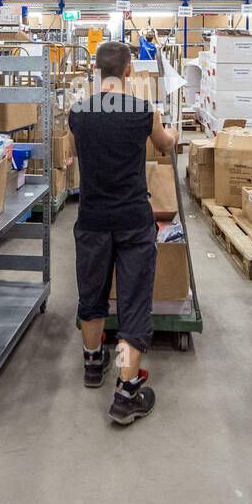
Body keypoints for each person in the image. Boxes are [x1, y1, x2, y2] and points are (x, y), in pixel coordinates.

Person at [65, 40, 176, 426]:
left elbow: (78, 153)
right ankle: (127, 394)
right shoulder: (145, 112)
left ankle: (93, 364)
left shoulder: (78, 113)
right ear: (129, 71)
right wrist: (172, 134)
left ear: (97, 71)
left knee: (91, 292)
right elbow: (164, 147)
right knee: (132, 302)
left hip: (93, 217)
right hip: (132, 219)